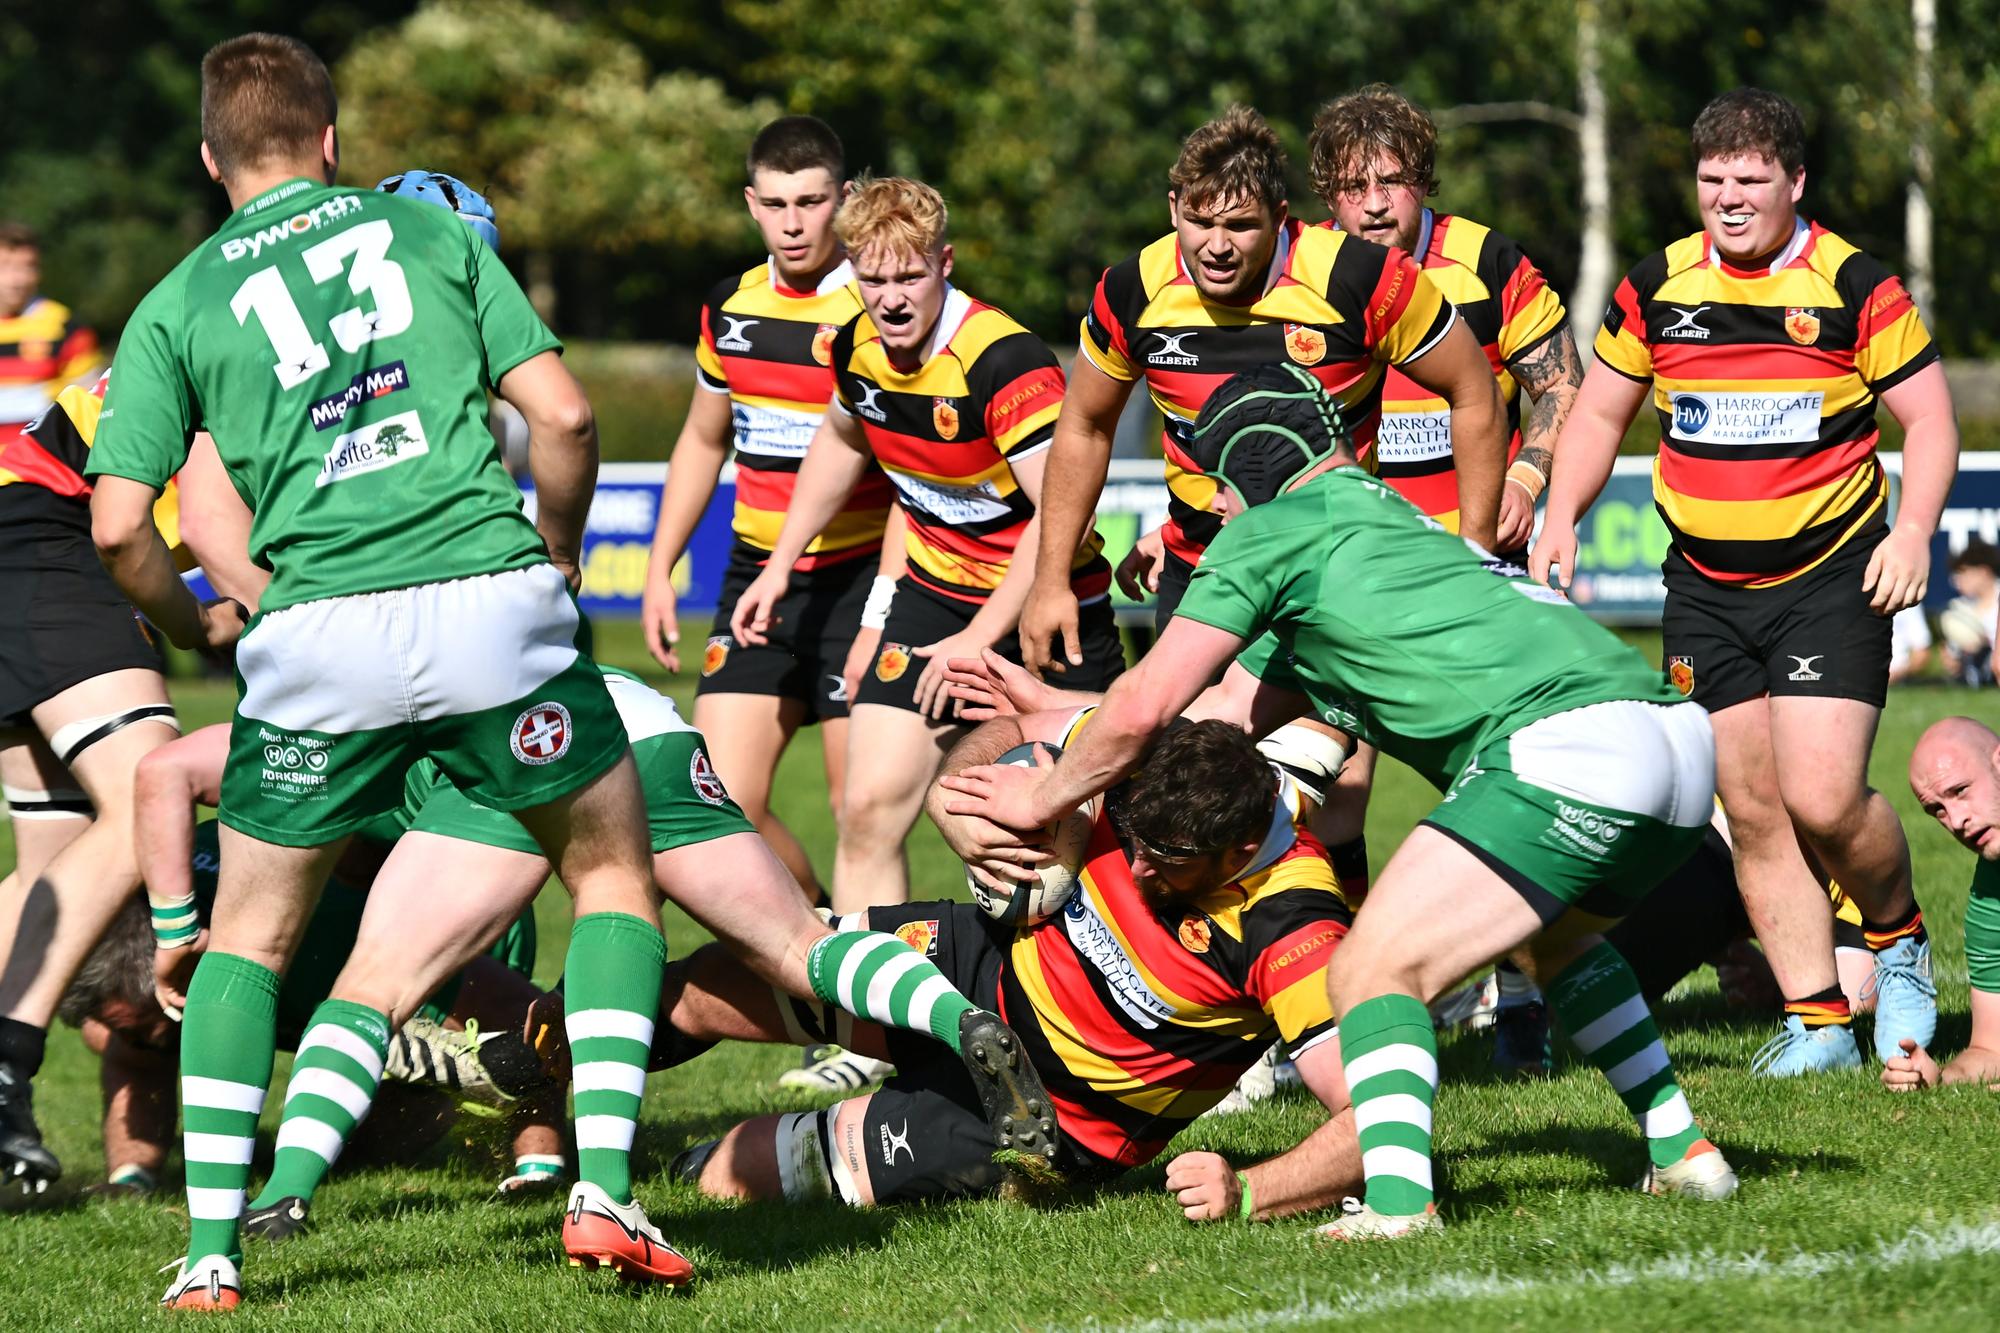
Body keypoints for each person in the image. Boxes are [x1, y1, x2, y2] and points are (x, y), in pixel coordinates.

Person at [84, 34, 683, 1306]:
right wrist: (560, 553)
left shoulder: (175, 302)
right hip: (484, 598)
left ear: (208, 159)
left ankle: (208, 1255)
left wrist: (192, 630)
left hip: (313, 638)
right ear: (333, 141)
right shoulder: (433, 235)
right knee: (611, 872)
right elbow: (565, 417)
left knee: (245, 940)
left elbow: (120, 524)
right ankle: (606, 1191)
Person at [943, 364, 1736, 1240]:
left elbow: (1142, 710)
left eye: (1216, 497)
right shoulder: (1386, 530)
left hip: (1563, 748)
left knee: (1368, 971)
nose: (1218, 519)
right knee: (1559, 940)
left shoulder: (1273, 531)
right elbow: (1209, 718)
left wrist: (1043, 791)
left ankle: (1401, 1206)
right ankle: (1684, 1150)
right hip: (1672, 744)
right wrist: (1042, 708)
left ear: (1237, 478)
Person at [1532, 88, 1952, 1076]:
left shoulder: (1855, 285)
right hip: (1704, 589)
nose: (1726, 199)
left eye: (1748, 180)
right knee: (1752, 806)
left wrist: (1916, 533)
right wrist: (1559, 516)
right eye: (1711, 179)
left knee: (1819, 797)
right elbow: (1595, 417)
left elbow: (1930, 422)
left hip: (1828, 576)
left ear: (1791, 183)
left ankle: (1895, 940)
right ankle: (1814, 1021)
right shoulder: (1655, 286)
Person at [655, 712, 1363, 1222]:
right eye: (1136, 841)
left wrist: (1250, 1189)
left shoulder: (1294, 926)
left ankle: (682, 1164)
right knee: (711, 985)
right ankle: (554, 1066)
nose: (1138, 864)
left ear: (1239, 850)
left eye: (1167, 861)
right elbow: (1014, 722)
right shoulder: (1152, 748)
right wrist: (956, 797)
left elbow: (1378, 1117)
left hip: (1058, 1114)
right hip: (983, 962)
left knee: (733, 1170)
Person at [730, 176, 1124, 925]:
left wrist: (981, 638)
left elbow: (1060, 513)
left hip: (1046, 607)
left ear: (945, 262)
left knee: (1091, 830)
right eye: (873, 279)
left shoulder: (1003, 360)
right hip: (932, 598)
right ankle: (874, 1033)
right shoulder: (855, 349)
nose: (893, 297)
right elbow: (842, 442)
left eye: (910, 275)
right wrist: (779, 563)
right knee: (868, 811)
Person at [1018, 104, 1507, 676]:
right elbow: (1085, 426)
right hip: (1202, 572)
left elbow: (1476, 394)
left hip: (1335, 575)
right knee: (1187, 762)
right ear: (1174, 209)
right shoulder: (1132, 290)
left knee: (1319, 766)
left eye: (1241, 226)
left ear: (1279, 217)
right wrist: (1051, 580)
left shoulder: (1362, 278)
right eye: (1201, 222)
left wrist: (1473, 560)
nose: (1217, 246)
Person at [1299, 85, 1587, 1044]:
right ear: (1327, 199)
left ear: (1422, 182)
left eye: (1391, 181)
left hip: (1474, 558)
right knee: (1333, 792)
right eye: (1351, 187)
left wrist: (1532, 473)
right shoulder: (1304, 272)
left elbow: (1559, 379)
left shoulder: (1485, 259)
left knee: (1502, 783)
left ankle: (1526, 993)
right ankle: (1341, 1001)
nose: (1375, 202)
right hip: (1360, 561)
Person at [640, 117, 897, 908]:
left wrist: (889, 604)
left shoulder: (878, 305)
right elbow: (700, 437)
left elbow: (913, 469)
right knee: (718, 807)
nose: (794, 222)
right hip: (758, 577)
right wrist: (659, 566)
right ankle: (819, 938)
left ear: (844, 200)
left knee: (862, 812)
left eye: (813, 201)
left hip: (863, 578)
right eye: (777, 203)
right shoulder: (731, 306)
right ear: (751, 204)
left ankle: (878, 1016)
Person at [57, 818, 563, 1203]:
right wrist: (131, 1179)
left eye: (149, 1023)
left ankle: (444, 1085)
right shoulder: (163, 908)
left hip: (446, 921)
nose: (140, 1041)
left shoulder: (322, 931)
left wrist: (539, 1167)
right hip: (287, 957)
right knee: (127, 1033)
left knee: (385, 1134)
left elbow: (524, 1016)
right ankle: (137, 1170)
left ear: (185, 968)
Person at [0, 370, 182, 1192]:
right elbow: (188, 527)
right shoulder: (272, 336)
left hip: (20, 524)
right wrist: (210, 619)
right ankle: (6, 1063)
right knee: (153, 797)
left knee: (56, 854)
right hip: (45, 534)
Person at [1885, 717, 2000, 1090]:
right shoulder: (1988, 903)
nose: (1956, 821)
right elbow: (1990, 1049)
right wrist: (1939, 1078)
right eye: (1937, 810)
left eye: (1961, 790)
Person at [0, 221, 101, 446]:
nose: (18, 280)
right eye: (6, 266)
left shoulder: (66, 327)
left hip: (37, 466)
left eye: (28, 267)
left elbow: (90, 402)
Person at [1939, 542, 1998, 686]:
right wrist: (1955, 663)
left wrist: (1987, 646)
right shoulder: (1960, 609)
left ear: (1984, 572)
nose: (1958, 580)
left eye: (1963, 572)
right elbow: (1955, 664)